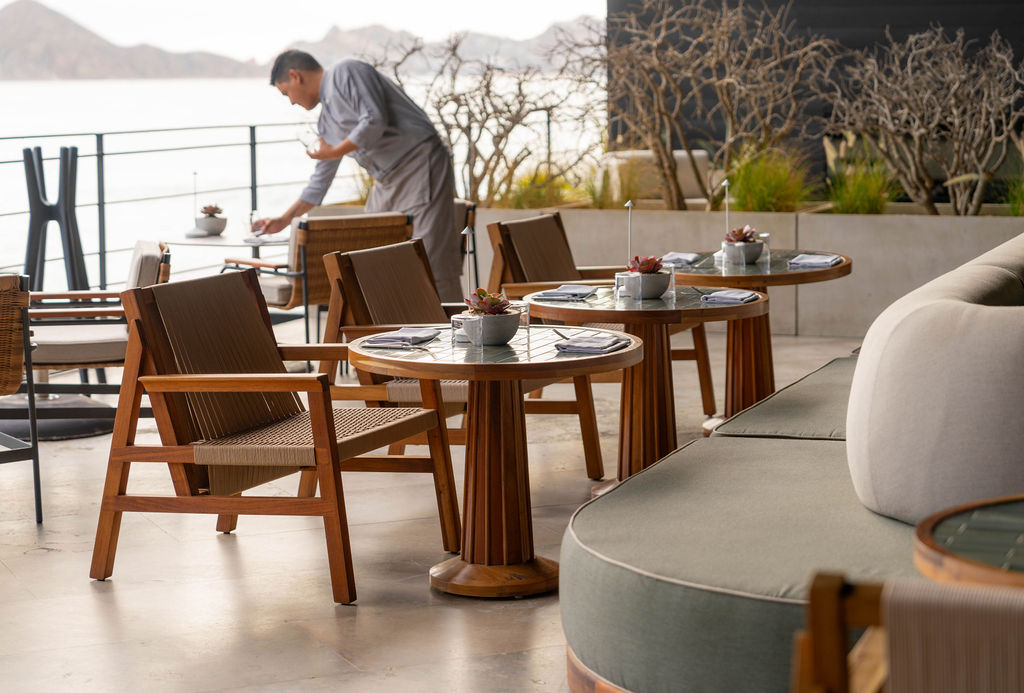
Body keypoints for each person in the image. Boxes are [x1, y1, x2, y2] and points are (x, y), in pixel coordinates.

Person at [256, 50, 461, 300]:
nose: (291, 102)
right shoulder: (326, 124)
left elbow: (374, 120)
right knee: (373, 257)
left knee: (430, 257)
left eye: (285, 92)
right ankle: (394, 332)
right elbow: (319, 184)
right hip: (386, 180)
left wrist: (334, 151)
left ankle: (452, 328)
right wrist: (283, 220)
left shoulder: (346, 71)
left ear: (295, 75)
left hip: (420, 162)